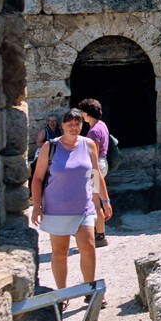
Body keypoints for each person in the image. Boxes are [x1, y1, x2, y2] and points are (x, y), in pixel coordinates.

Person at [30, 108, 112, 293]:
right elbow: (37, 178)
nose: (74, 128)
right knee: (60, 252)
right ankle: (62, 293)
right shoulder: (49, 147)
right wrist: (36, 206)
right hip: (56, 209)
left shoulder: (88, 144)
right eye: (70, 124)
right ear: (63, 126)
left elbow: (95, 174)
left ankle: (89, 290)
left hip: (83, 207)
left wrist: (104, 201)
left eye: (78, 124)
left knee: (89, 247)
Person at [77, 98, 112, 247]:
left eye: (82, 112)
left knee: (95, 203)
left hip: (95, 167)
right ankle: (99, 233)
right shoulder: (101, 125)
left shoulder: (93, 132)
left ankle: (100, 236)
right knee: (94, 201)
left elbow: (93, 155)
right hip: (102, 163)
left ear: (87, 113)